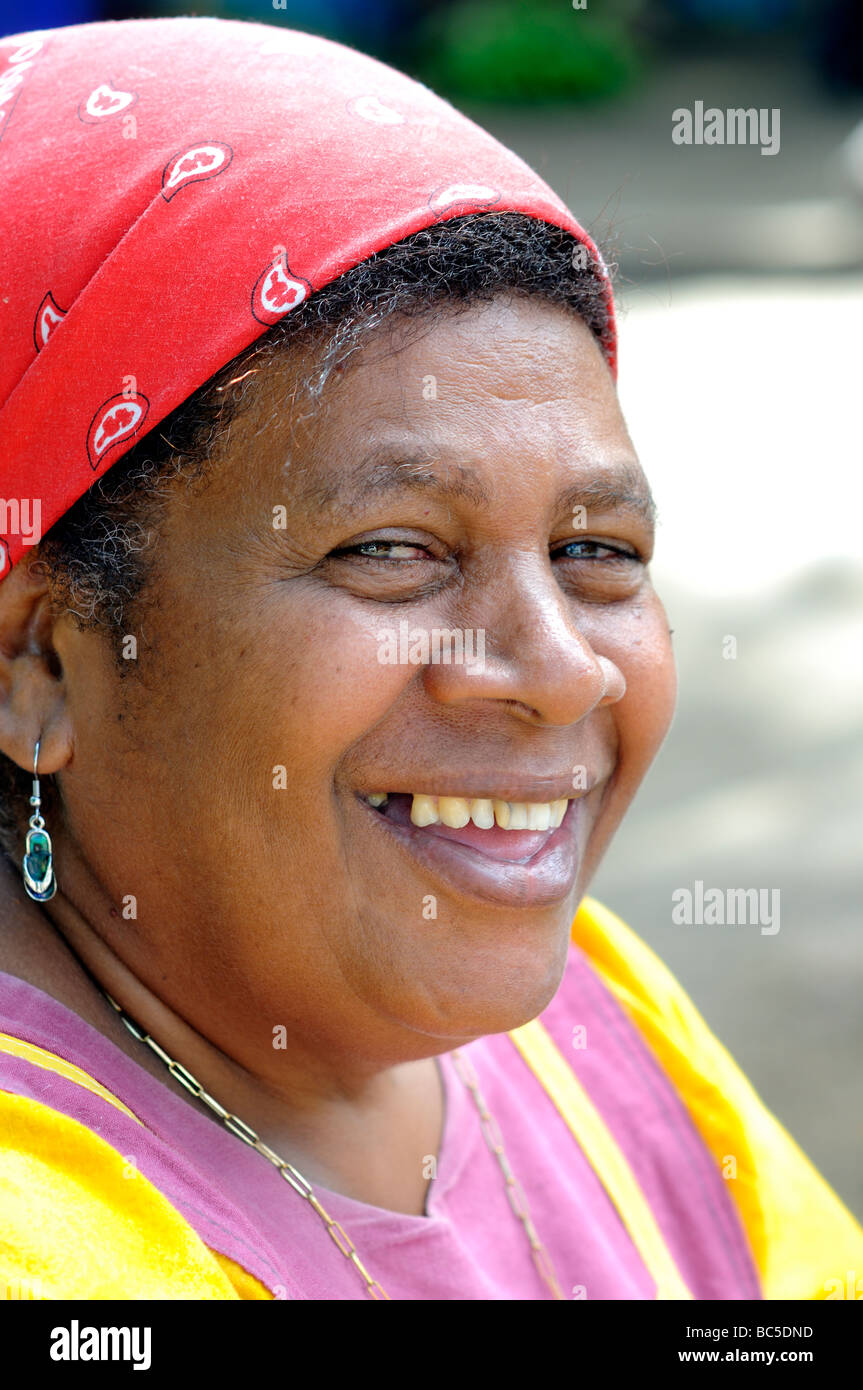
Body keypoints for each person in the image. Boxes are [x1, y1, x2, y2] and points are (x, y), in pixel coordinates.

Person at [0, 14, 859, 1302]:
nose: (563, 671)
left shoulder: (601, 1026)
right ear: (40, 665)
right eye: (393, 550)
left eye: (596, 551)